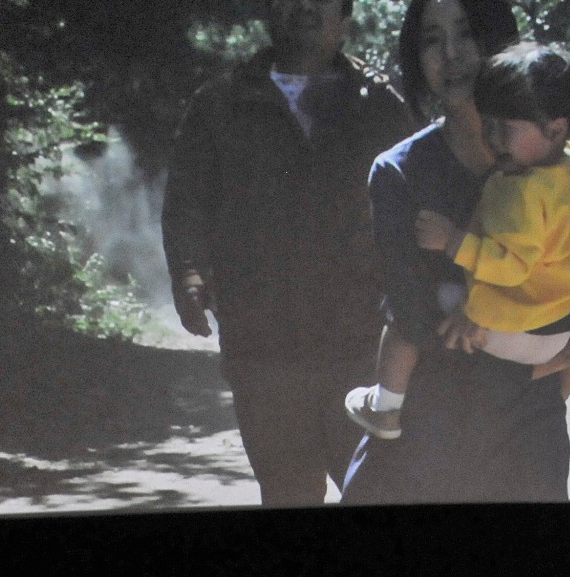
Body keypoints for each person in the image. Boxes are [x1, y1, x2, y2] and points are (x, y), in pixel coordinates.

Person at [160, 0, 414, 506]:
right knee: (287, 492)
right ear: (267, 11)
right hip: (262, 352)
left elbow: (413, 212)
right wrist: (190, 274)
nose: (305, 6)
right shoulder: (219, 104)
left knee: (373, 490)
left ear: (345, 19)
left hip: (359, 348)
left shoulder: (379, 103)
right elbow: (187, 203)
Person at [338, 0, 570, 505]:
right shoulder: (399, 173)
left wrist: (547, 356)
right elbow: (414, 314)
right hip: (427, 437)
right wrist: (530, 364)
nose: (450, 55)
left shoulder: (558, 164)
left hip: (527, 441)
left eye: (467, 33)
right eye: (431, 39)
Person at [410, 43, 570, 367]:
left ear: (556, 129)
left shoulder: (521, 192)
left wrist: (453, 242)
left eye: (507, 127)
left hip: (529, 331)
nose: (493, 137)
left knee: (437, 298)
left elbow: (511, 267)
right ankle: (552, 369)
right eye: (488, 124)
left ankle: (389, 398)